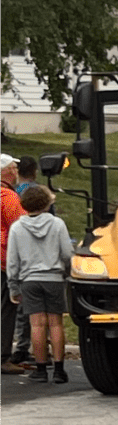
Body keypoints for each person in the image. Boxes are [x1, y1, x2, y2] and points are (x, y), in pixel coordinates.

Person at [6, 185, 73, 383]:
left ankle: (41, 369)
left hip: (29, 280)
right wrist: (66, 272)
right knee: (56, 323)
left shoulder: (17, 228)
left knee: (37, 324)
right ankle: (59, 370)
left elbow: (12, 261)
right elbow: (67, 253)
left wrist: (13, 286)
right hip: (53, 278)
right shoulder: (57, 224)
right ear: (46, 203)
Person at [0, 153, 29, 375]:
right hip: (4, 259)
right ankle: (3, 357)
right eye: (14, 168)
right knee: (6, 310)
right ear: (7, 172)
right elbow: (21, 227)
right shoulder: (8, 197)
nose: (17, 172)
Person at [9, 156, 38, 365]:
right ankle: (35, 347)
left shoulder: (14, 193)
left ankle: (21, 345)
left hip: (19, 254)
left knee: (20, 307)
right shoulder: (40, 193)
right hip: (38, 257)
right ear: (34, 171)